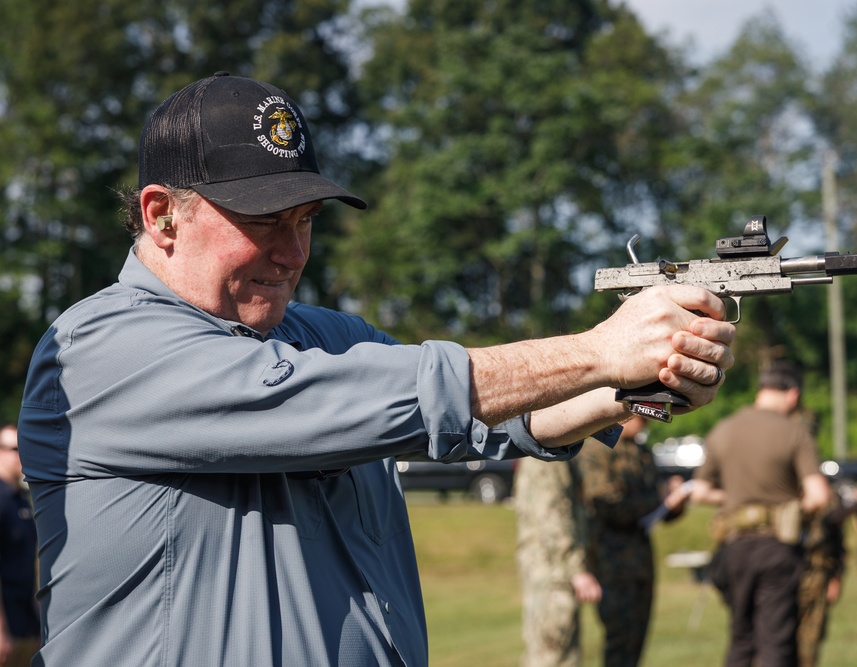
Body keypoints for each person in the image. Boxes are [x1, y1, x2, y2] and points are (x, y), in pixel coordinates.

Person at [16, 72, 736, 666]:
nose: (293, 253)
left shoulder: (322, 336)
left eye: (305, 220)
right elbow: (395, 394)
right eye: (263, 221)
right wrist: (600, 349)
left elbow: (489, 418)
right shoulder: (99, 349)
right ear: (161, 215)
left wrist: (631, 383)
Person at [691, 361, 830, 667]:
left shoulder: (723, 429)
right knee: (774, 642)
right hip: (776, 549)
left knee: (741, 638)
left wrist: (737, 499)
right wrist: (790, 507)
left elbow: (699, 491)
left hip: (734, 549)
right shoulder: (794, 433)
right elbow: (819, 496)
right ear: (792, 394)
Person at [574, 416, 689, 667]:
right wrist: (659, 498)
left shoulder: (641, 452)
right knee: (619, 640)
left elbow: (655, 508)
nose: (647, 421)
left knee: (636, 639)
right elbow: (606, 504)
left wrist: (674, 503)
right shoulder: (596, 449)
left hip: (640, 561)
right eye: (642, 415)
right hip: (611, 561)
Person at [514, 457, 601, 667]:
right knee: (554, 656)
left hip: (553, 572)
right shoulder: (547, 458)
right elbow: (552, 516)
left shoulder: (549, 454)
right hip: (554, 575)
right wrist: (576, 568)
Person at [0, 424, 39, 667]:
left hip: (25, 624)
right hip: (7, 629)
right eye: (14, 448)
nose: (20, 455)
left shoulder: (22, 499)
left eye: (24, 447)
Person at [797, 494, 846, 667]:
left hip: (817, 578)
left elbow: (838, 543)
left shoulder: (827, 498)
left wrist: (836, 578)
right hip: (782, 578)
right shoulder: (781, 490)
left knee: (810, 642)